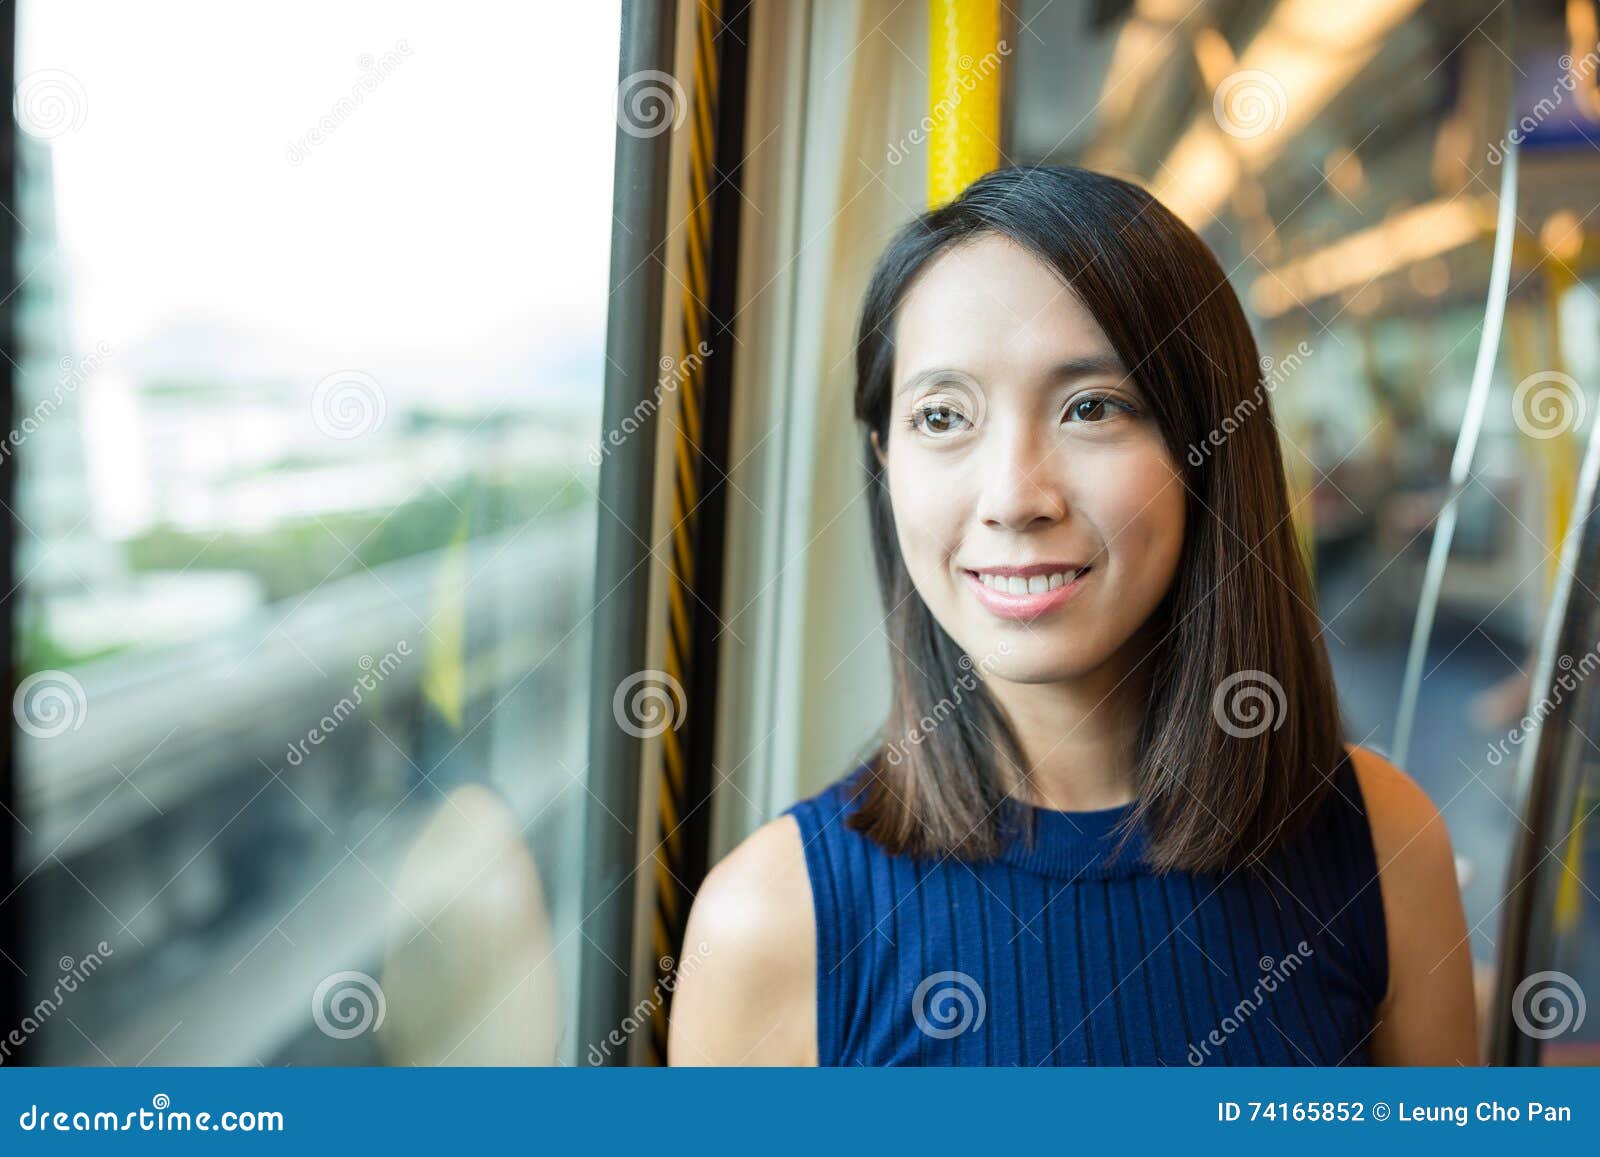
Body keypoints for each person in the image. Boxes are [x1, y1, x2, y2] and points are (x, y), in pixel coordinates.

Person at [668, 165, 1478, 1066]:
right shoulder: (769, 923)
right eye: (942, 417)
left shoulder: (1383, 843)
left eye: (1092, 407)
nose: (1016, 497)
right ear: (884, 459)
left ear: (1211, 446)